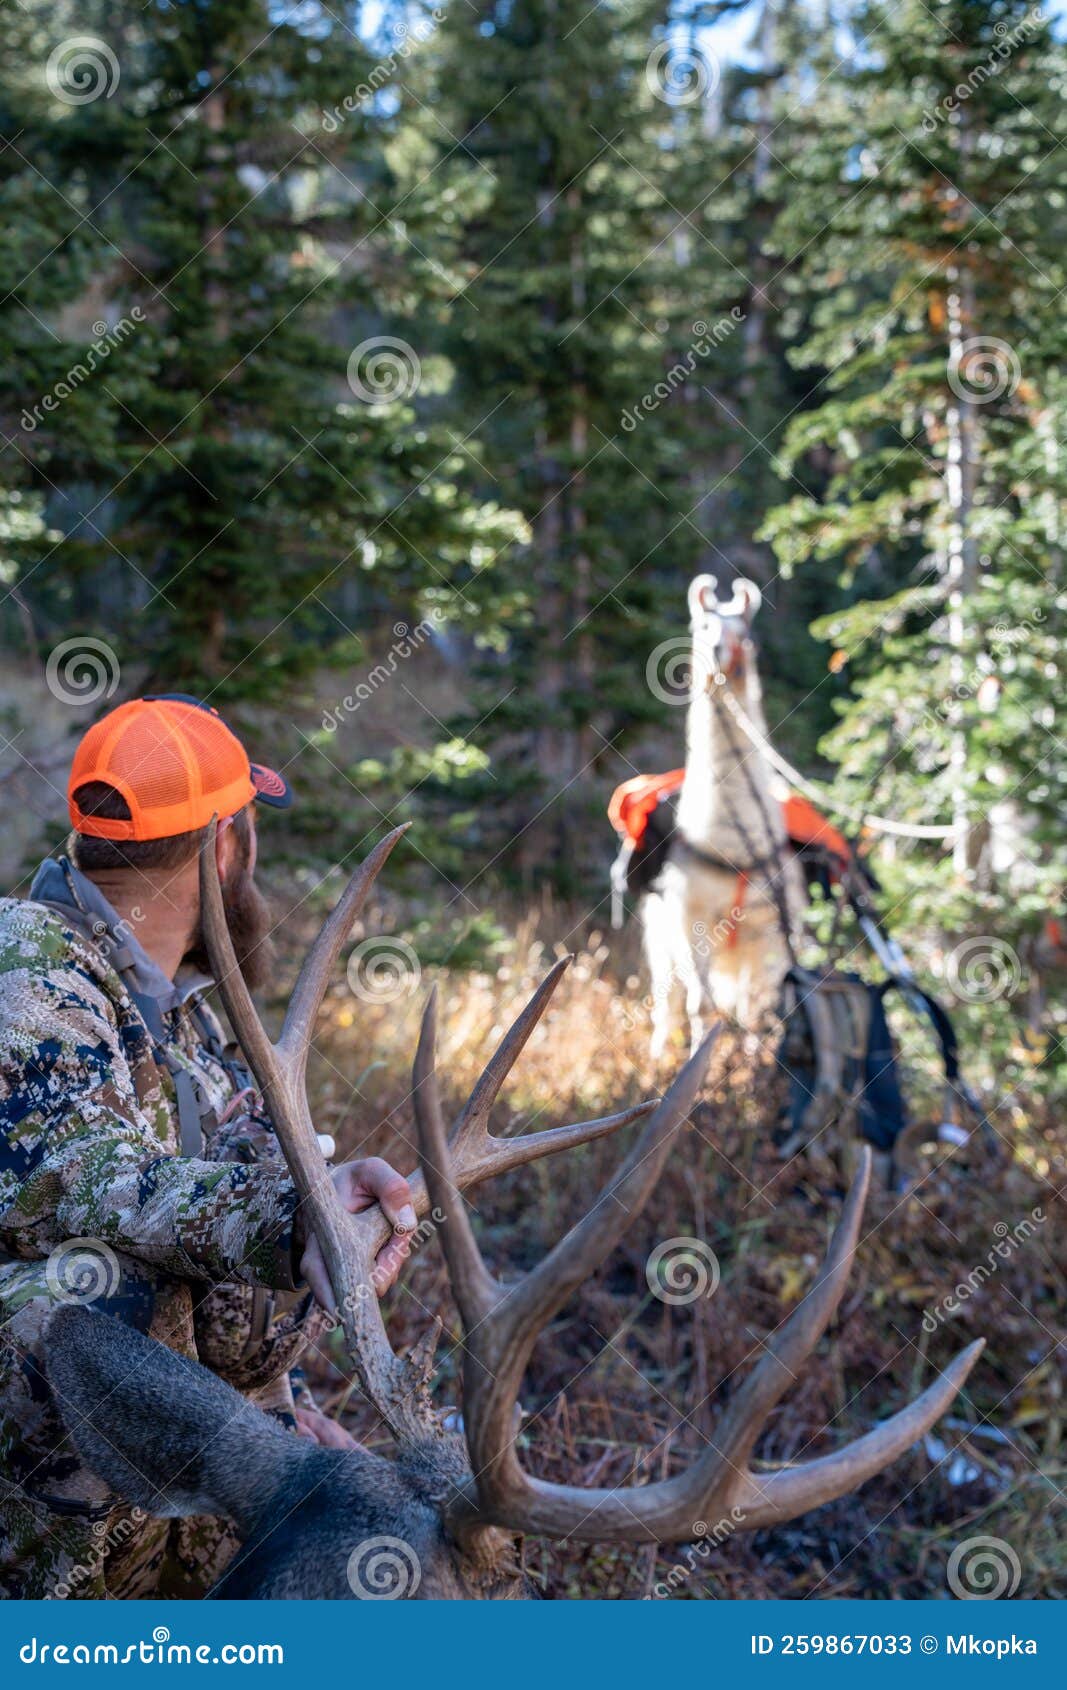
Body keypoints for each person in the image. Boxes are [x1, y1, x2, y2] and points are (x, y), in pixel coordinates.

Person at [0, 694, 415, 1598]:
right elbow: (70, 1176)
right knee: (82, 1296)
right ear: (227, 845)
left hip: (165, 1506)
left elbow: (216, 1301)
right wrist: (287, 1222)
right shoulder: (24, 957)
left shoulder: (190, 1031)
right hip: (42, 1462)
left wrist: (296, 1434)